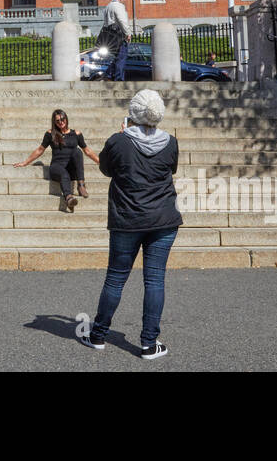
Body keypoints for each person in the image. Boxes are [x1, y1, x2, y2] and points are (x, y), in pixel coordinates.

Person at [82, 89, 181, 360]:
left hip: (127, 218)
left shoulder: (118, 140)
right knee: (155, 280)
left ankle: (98, 334)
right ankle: (149, 343)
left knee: (116, 278)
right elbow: (170, 169)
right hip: (163, 218)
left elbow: (105, 168)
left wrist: (123, 136)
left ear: (132, 114)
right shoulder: (171, 142)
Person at [13, 109, 100, 212]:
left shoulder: (76, 134)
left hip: (71, 169)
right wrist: (25, 162)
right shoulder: (50, 134)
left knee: (77, 151)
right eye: (57, 121)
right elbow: (40, 150)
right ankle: (69, 198)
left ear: (66, 119)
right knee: (64, 174)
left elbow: (87, 151)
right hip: (56, 168)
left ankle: (81, 185)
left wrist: (101, 162)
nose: (61, 122)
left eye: (62, 119)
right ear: (54, 122)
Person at [100, 0, 132, 80]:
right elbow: (122, 20)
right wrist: (128, 33)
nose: (123, 0)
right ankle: (118, 79)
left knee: (116, 57)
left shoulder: (108, 6)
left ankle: (108, 75)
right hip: (118, 34)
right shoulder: (118, 6)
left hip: (109, 35)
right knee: (121, 57)